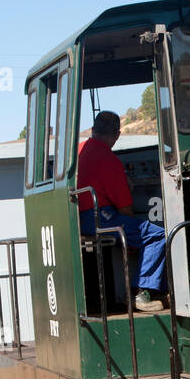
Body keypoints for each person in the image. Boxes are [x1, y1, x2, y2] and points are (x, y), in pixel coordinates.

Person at [75, 110, 166, 313]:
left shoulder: (79, 151)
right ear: (117, 134)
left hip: (77, 217)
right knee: (157, 235)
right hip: (99, 217)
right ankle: (140, 293)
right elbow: (125, 207)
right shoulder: (109, 160)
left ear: (92, 130)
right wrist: (133, 237)